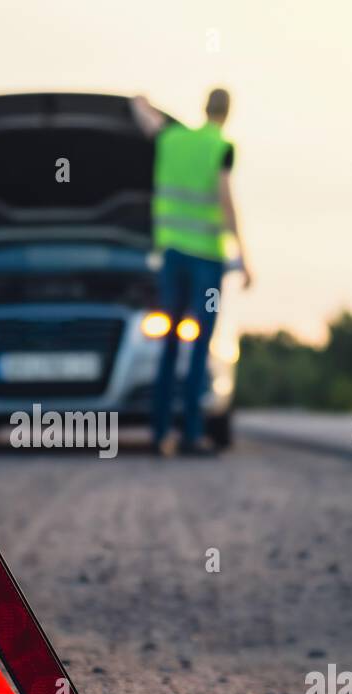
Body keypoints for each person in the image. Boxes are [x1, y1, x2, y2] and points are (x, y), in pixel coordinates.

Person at [131, 88, 252, 456]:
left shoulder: (172, 138)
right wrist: (243, 254)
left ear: (203, 108)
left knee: (169, 343)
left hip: (172, 256)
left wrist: (141, 102)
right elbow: (225, 199)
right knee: (200, 345)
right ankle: (191, 434)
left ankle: (160, 432)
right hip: (206, 260)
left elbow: (145, 119)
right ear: (227, 113)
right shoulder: (221, 147)